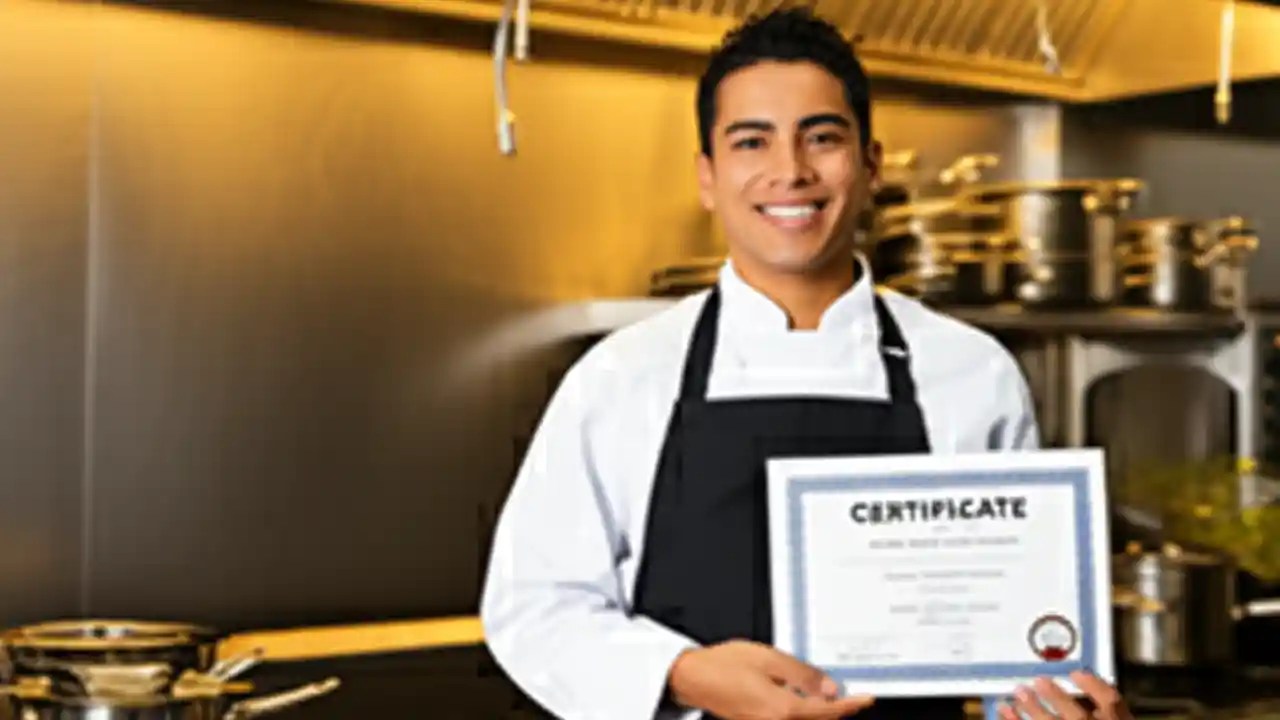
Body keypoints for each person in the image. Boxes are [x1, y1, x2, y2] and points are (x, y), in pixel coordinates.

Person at [480, 7, 1134, 720]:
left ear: (870, 166)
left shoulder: (973, 374)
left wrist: (1068, 709)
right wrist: (683, 674)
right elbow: (534, 607)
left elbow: (1017, 638)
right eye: (751, 142)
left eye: (822, 138)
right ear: (707, 176)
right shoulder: (621, 378)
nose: (790, 172)